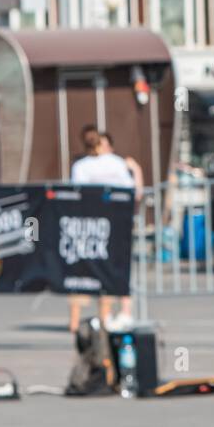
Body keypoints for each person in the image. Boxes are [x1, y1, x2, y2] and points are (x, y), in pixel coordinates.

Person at [69, 131, 143, 332]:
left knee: (83, 270)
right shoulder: (116, 163)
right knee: (110, 269)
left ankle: (76, 322)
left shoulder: (81, 166)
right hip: (112, 223)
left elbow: (76, 193)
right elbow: (131, 191)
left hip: (89, 225)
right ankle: (104, 318)